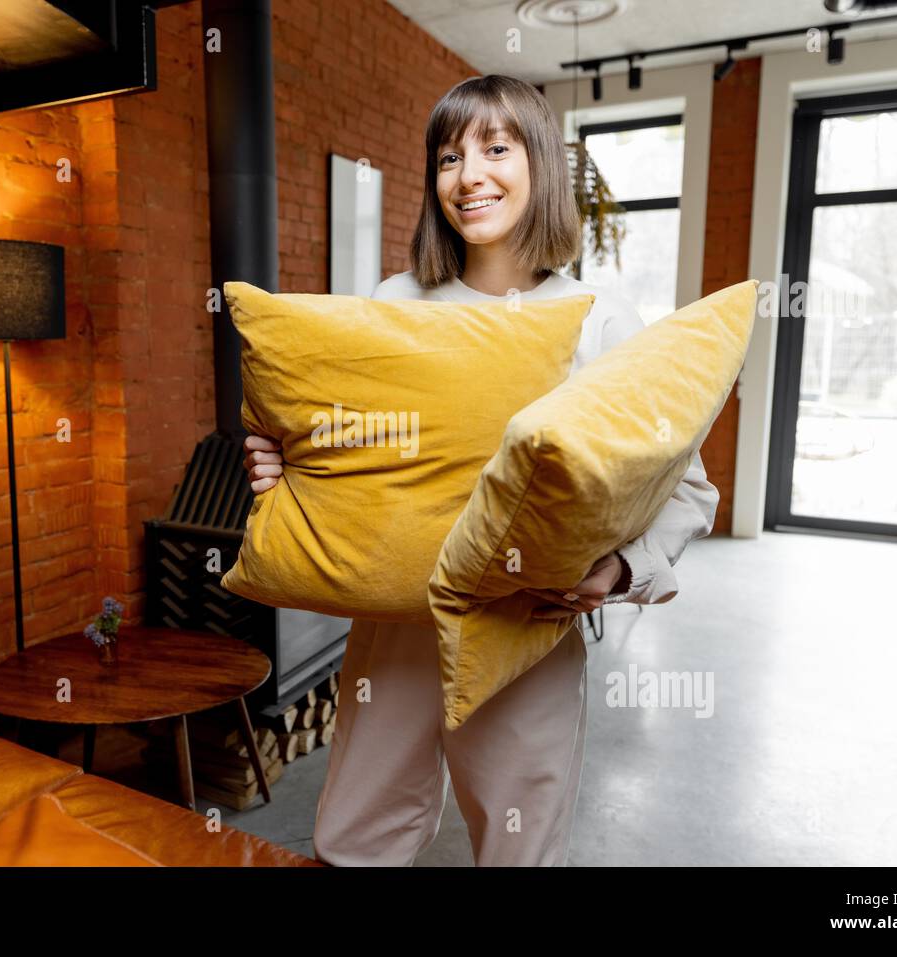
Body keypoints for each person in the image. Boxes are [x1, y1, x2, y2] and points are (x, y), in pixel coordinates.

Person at [242, 75, 719, 866]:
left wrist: (620, 567)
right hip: (394, 637)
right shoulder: (396, 300)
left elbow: (687, 484)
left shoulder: (598, 314)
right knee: (353, 838)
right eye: (449, 155)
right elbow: (355, 446)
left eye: (496, 148)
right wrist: (288, 464)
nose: (470, 176)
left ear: (540, 164)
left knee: (518, 846)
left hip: (525, 634)